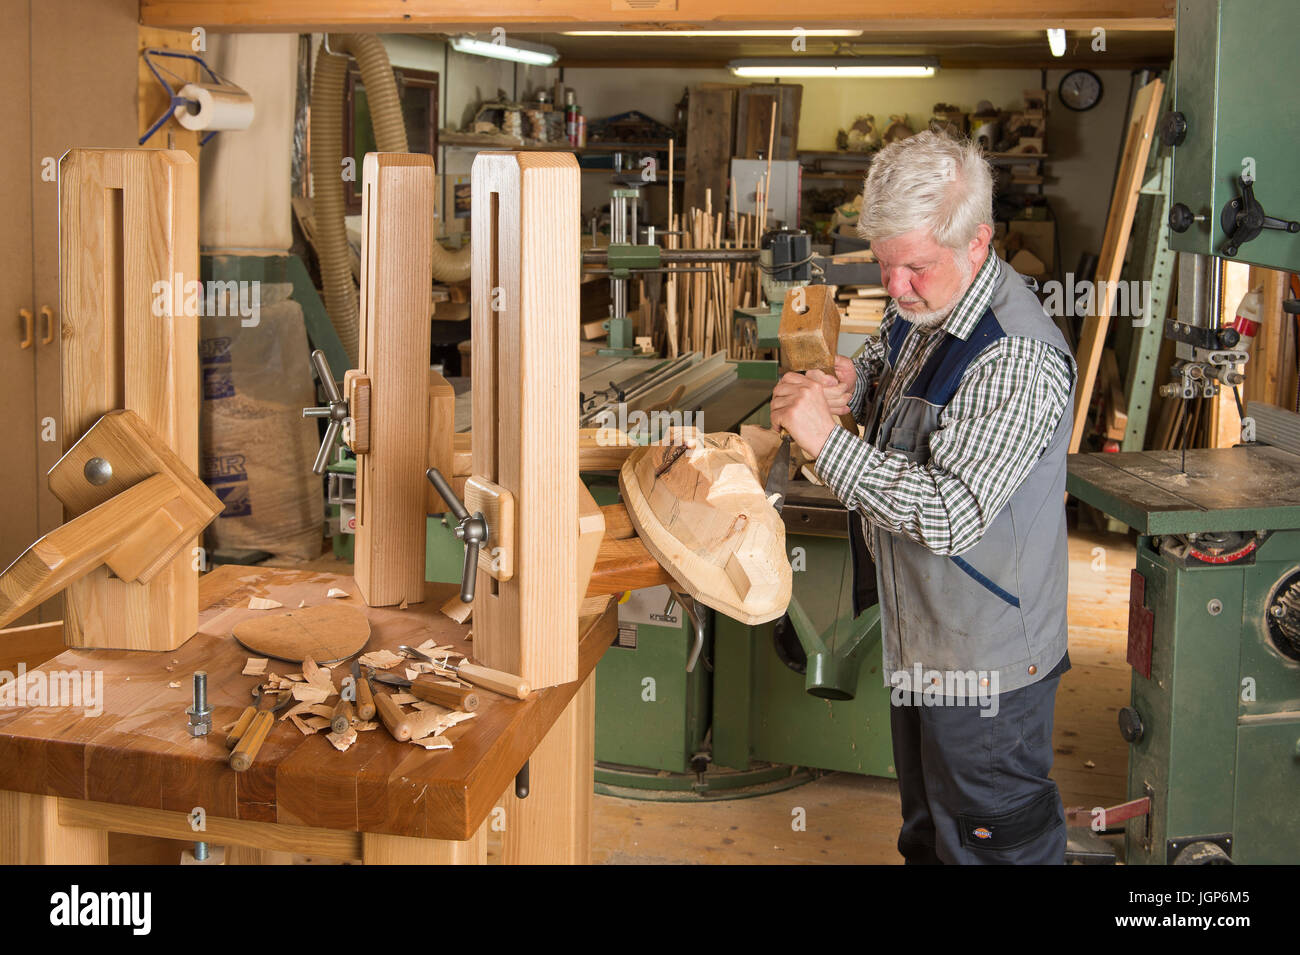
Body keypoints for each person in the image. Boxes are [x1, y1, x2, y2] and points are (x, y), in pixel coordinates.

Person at [769, 131, 1076, 864]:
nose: (897, 286)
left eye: (915, 266)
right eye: (884, 263)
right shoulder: (932, 309)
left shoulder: (1017, 356)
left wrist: (829, 444)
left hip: (987, 662)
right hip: (926, 637)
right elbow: (893, 351)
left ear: (978, 244)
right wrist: (855, 381)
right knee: (929, 835)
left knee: (991, 842)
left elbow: (951, 512)